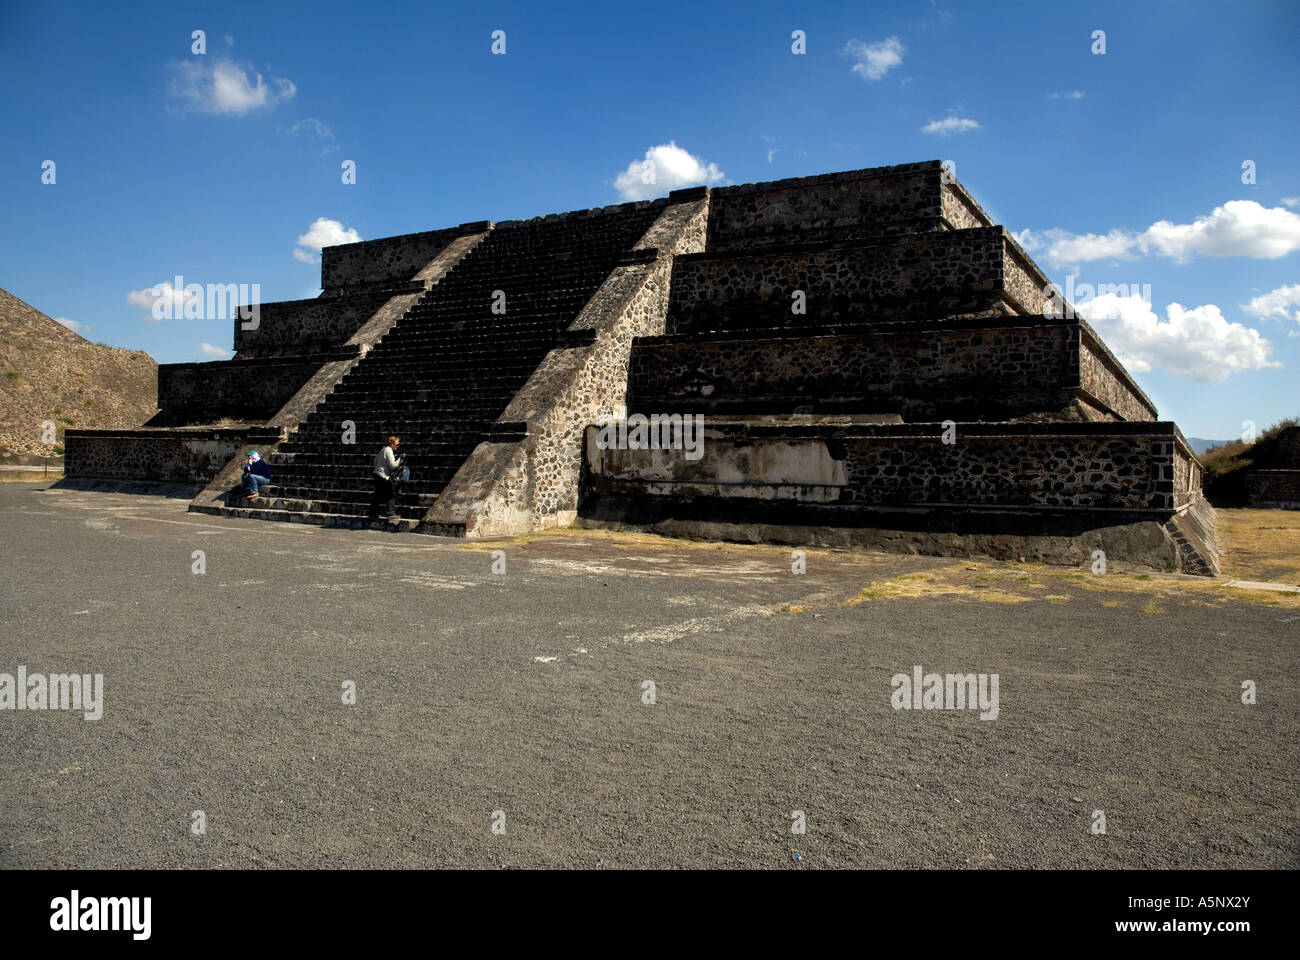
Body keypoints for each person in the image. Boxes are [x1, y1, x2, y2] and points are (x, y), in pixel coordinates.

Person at [368, 436, 404, 521]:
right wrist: (400, 458)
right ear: (392, 444)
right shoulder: (389, 451)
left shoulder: (383, 450)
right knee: (389, 493)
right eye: (396, 444)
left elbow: (375, 461)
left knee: (377, 495)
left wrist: (380, 467)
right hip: (383, 476)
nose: (397, 446)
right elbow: (393, 465)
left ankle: (373, 513)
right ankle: (391, 513)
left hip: (377, 474)